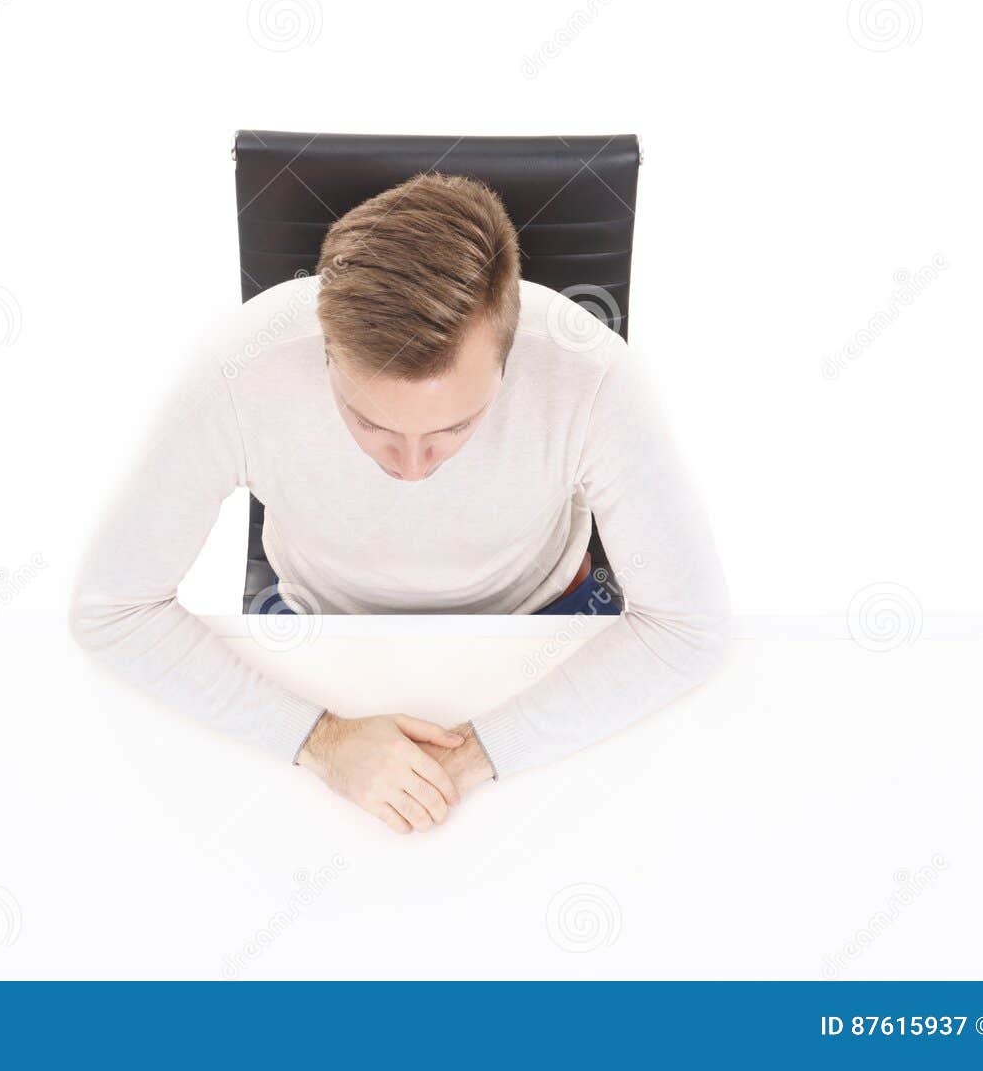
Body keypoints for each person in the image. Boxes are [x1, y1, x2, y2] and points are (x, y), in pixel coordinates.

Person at [69, 172, 731, 835]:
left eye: (453, 429)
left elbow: (691, 627)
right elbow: (110, 609)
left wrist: (480, 750)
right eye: (369, 423)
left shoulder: (591, 372)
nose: (412, 471)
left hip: (543, 633)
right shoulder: (240, 367)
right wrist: (320, 739)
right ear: (326, 353)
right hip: (323, 638)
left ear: (508, 355)